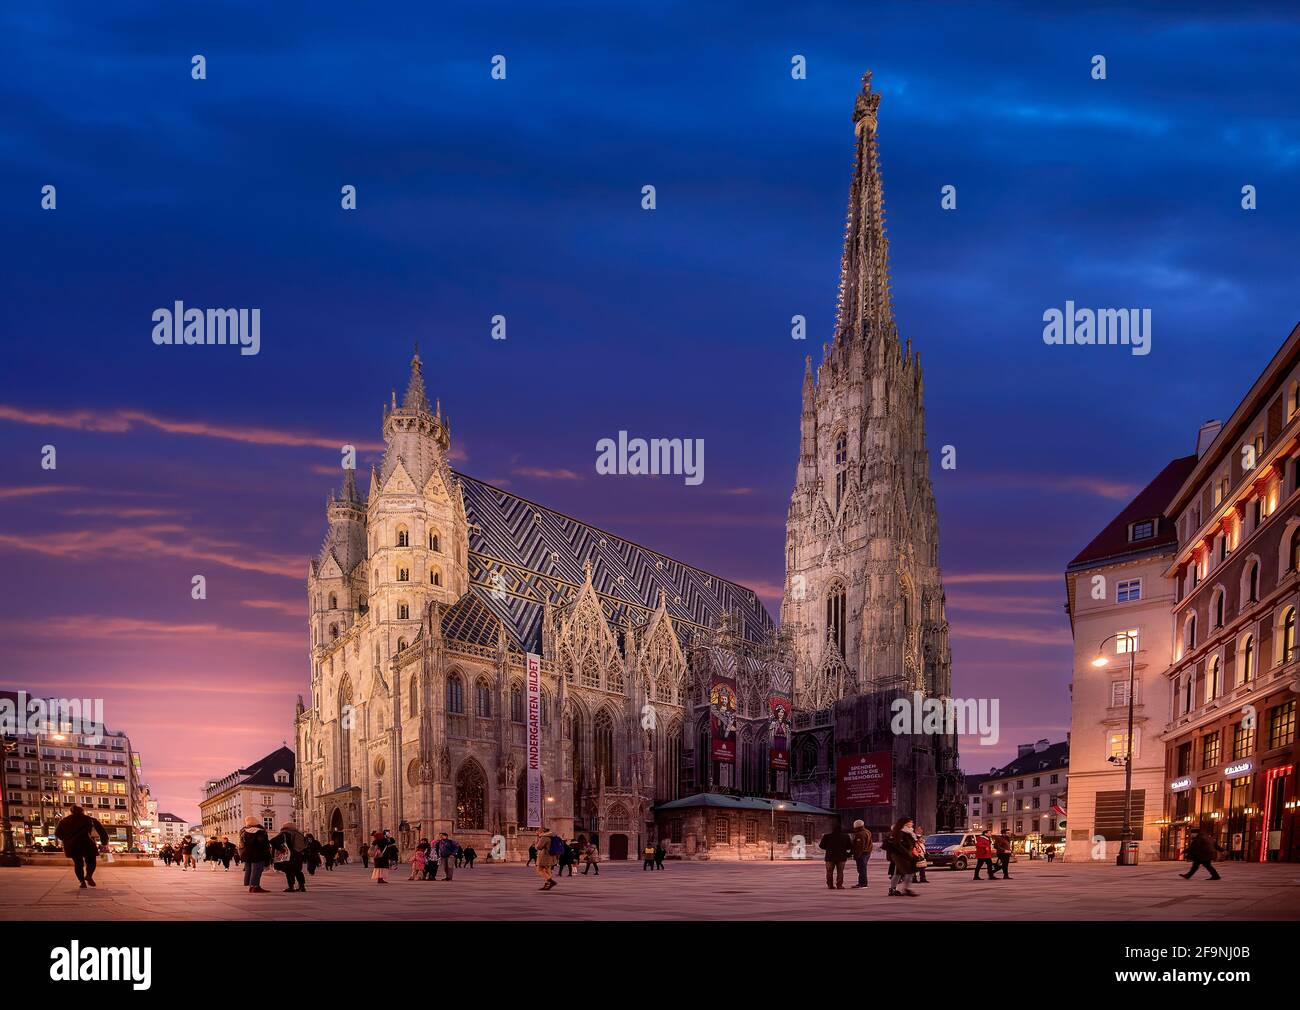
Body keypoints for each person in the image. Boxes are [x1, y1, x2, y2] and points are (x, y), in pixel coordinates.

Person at [54, 805, 109, 889]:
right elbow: (102, 831)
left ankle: (82, 882)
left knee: (78, 863)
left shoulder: (64, 821)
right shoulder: (90, 819)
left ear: (71, 812)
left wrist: (67, 840)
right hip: (87, 843)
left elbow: (57, 833)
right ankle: (89, 875)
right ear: (82, 811)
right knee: (91, 862)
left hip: (73, 845)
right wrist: (104, 842)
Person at [883, 817, 919, 897]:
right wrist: (907, 853)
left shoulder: (908, 832)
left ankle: (893, 889)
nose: (912, 824)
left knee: (898, 873)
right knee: (909, 871)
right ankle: (906, 889)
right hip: (900, 855)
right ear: (905, 823)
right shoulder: (900, 832)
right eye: (910, 822)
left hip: (904, 854)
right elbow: (897, 844)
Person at [269, 822, 308, 892]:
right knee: (298, 871)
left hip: (289, 855)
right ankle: (302, 886)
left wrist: (281, 849)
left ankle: (291, 887)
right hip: (298, 855)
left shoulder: (285, 833)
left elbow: (273, 841)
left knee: (289, 871)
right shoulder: (299, 834)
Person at [237, 815, 272, 893]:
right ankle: (255, 886)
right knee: (257, 870)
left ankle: (251, 886)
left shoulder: (243, 831)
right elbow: (263, 843)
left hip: (246, 854)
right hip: (258, 853)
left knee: (249, 869)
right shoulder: (260, 831)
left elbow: (241, 843)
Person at [818, 821, 854, 890]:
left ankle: (830, 885)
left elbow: (821, 846)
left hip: (829, 857)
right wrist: (847, 852)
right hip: (841, 857)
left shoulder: (827, 836)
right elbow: (850, 847)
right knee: (840, 871)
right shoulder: (845, 836)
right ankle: (839, 885)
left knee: (829, 872)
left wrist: (828, 848)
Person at [850, 820, 873, 888]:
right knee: (862, 868)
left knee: (861, 869)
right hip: (866, 853)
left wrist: (856, 855)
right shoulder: (867, 832)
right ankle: (862, 883)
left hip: (862, 854)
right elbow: (870, 844)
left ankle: (863, 883)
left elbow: (859, 847)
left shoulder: (860, 834)